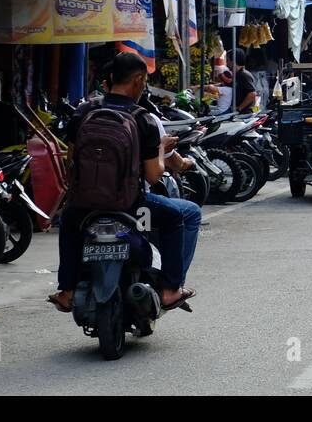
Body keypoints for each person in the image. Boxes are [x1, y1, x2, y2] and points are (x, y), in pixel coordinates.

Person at [47, 52, 200, 314]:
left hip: (84, 205)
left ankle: (67, 291)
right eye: (145, 81)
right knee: (182, 215)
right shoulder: (144, 119)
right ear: (138, 80)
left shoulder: (84, 111)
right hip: (131, 207)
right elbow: (153, 176)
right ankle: (170, 289)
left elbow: (71, 160)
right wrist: (161, 148)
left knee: (69, 223)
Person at [229, 49, 259, 114]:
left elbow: (252, 94)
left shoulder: (244, 74)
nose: (227, 62)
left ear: (233, 61)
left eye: (228, 60)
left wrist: (239, 108)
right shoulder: (237, 74)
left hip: (246, 113)